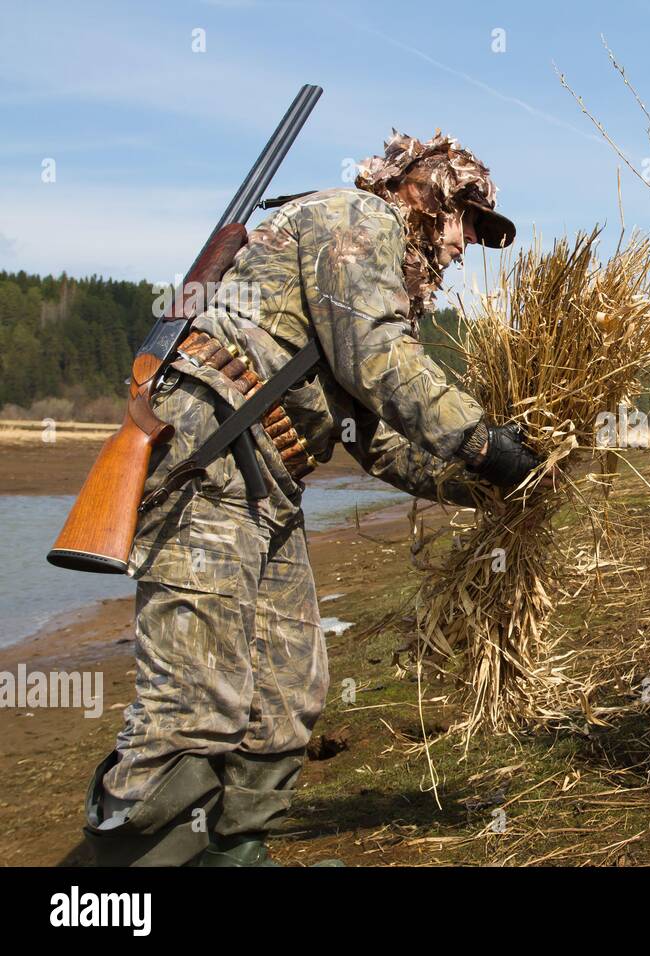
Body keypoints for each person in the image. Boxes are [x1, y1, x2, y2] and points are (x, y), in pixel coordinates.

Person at [82, 131, 538, 866]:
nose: (467, 245)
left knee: (287, 695)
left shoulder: (382, 280)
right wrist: (486, 443)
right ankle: (118, 876)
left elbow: (377, 436)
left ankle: (232, 853)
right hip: (210, 464)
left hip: (267, 480)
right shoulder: (358, 222)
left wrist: (478, 486)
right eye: (469, 223)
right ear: (428, 195)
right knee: (196, 701)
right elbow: (382, 362)